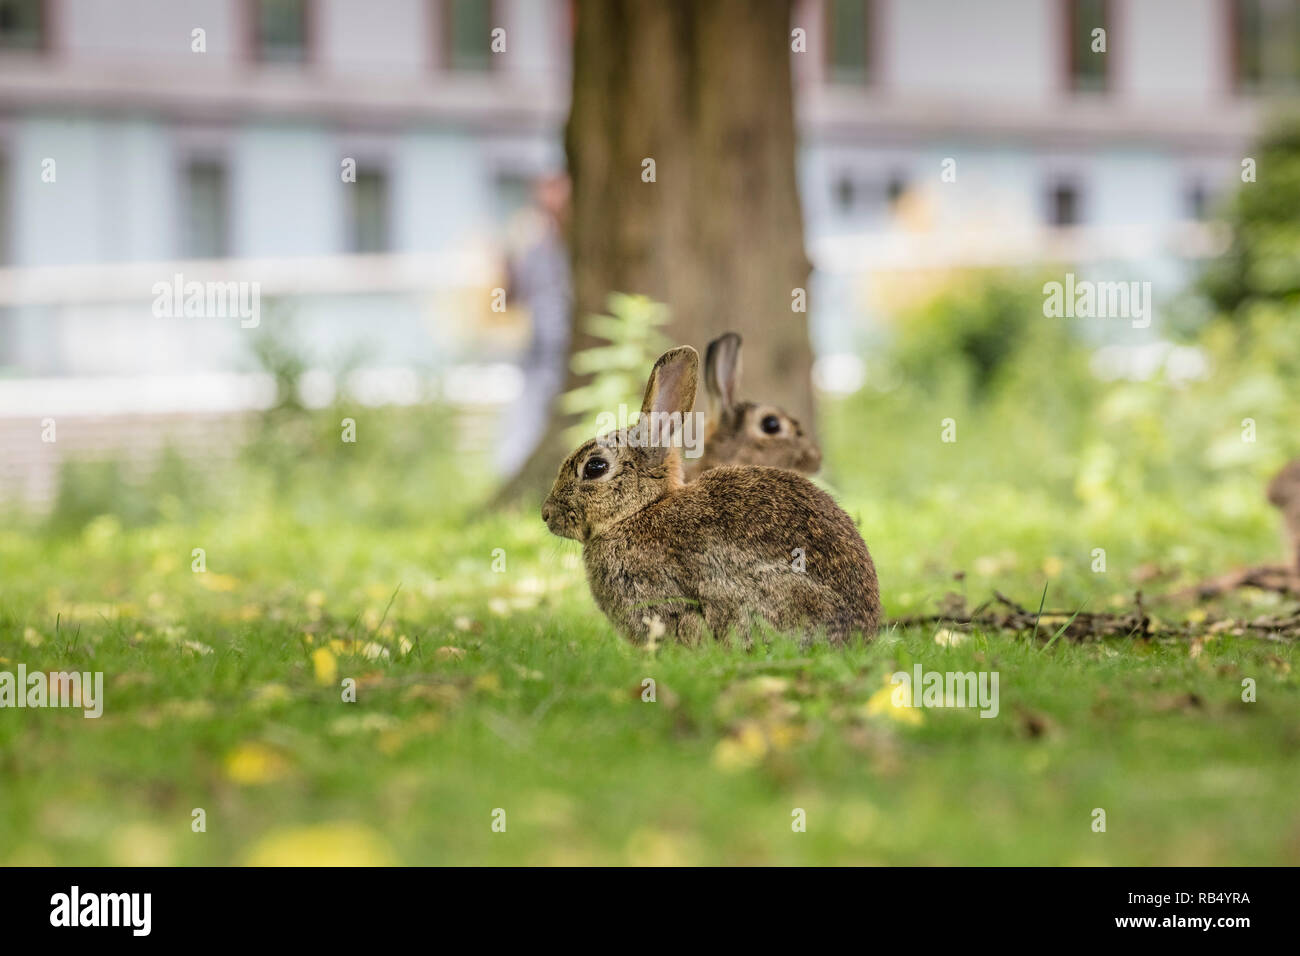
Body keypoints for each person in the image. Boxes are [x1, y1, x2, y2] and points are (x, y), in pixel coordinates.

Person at [498, 173, 572, 475]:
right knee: (525, 424)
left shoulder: (582, 250)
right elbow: (510, 298)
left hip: (571, 352)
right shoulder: (534, 251)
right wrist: (505, 264)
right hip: (539, 354)